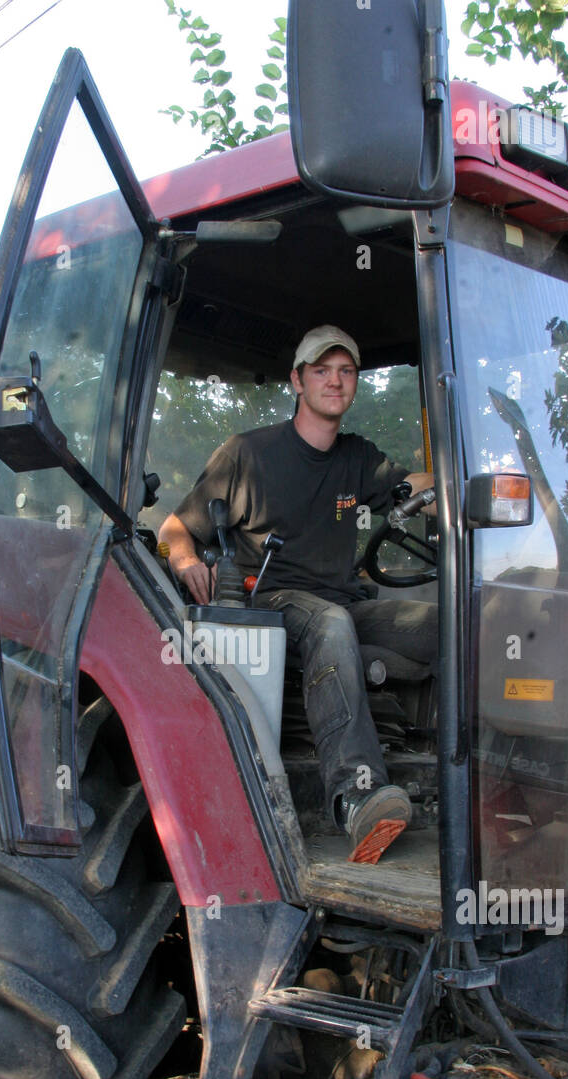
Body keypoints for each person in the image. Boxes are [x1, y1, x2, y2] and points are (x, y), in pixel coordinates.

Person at [158, 325, 437, 865]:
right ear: (297, 380)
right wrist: (187, 559)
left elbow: (409, 485)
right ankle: (356, 797)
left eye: (346, 371)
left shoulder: (357, 459)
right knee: (330, 621)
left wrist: (442, 488)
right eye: (321, 370)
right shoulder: (248, 454)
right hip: (270, 600)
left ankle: (484, 783)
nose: (335, 380)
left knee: (445, 626)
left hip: (344, 602)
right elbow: (175, 526)